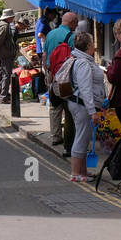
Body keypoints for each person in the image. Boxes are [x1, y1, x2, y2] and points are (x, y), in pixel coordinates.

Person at [65, 30, 106, 182]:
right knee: (82, 137)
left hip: (79, 104)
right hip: (82, 105)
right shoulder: (83, 63)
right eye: (92, 43)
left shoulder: (82, 59)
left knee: (82, 136)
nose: (94, 46)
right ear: (88, 45)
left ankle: (83, 172)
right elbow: (85, 88)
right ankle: (76, 173)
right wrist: (92, 111)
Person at [43, 11, 78, 155]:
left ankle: (55, 136)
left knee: (54, 105)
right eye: (75, 23)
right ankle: (69, 142)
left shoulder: (51, 34)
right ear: (72, 23)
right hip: (66, 77)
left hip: (52, 74)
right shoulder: (72, 36)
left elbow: (45, 55)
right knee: (68, 109)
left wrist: (47, 73)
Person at [0, 8, 19, 104]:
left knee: (1, 75)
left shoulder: (2, 25)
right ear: (9, 17)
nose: (13, 18)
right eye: (12, 16)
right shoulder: (4, 26)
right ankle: (3, 96)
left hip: (3, 54)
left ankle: (1, 95)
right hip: (5, 54)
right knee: (6, 75)